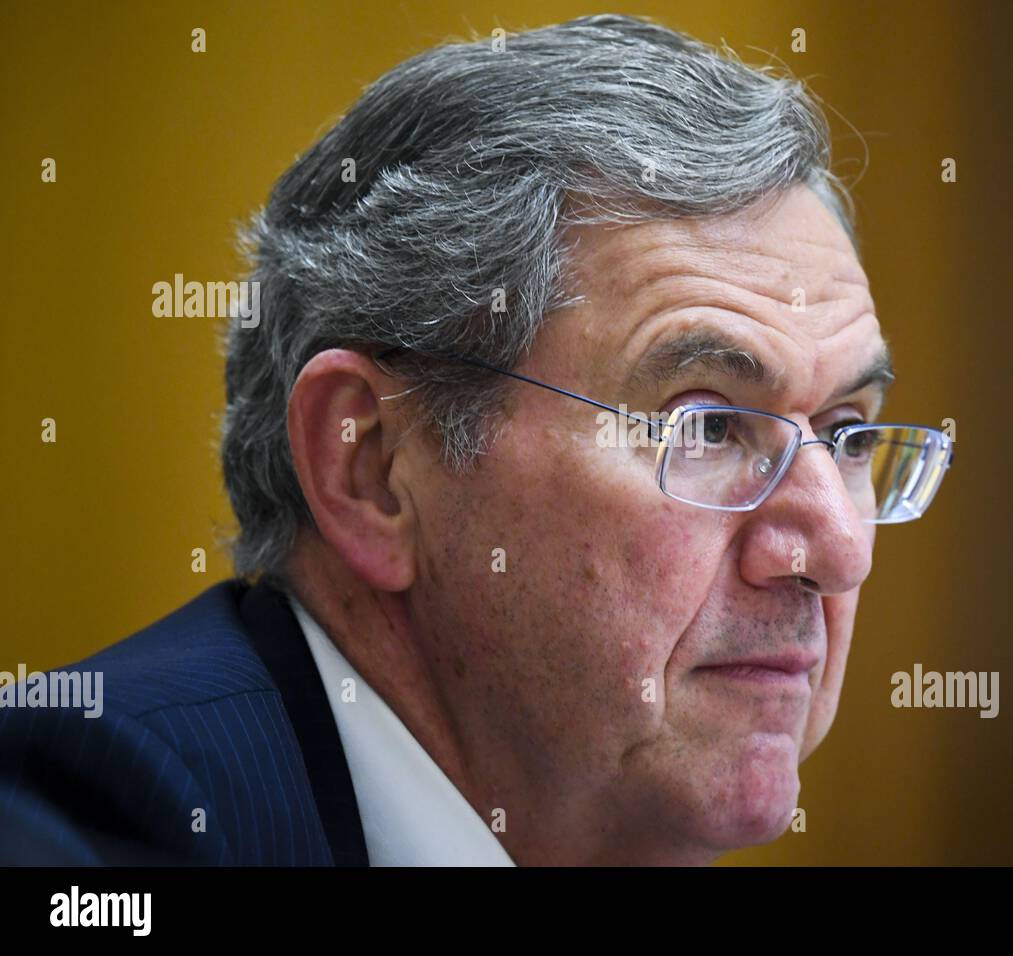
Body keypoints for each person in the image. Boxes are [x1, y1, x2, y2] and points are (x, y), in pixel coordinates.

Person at [0, 13, 951, 866]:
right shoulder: (96, 817)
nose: (836, 547)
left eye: (849, 435)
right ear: (372, 467)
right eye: (704, 425)